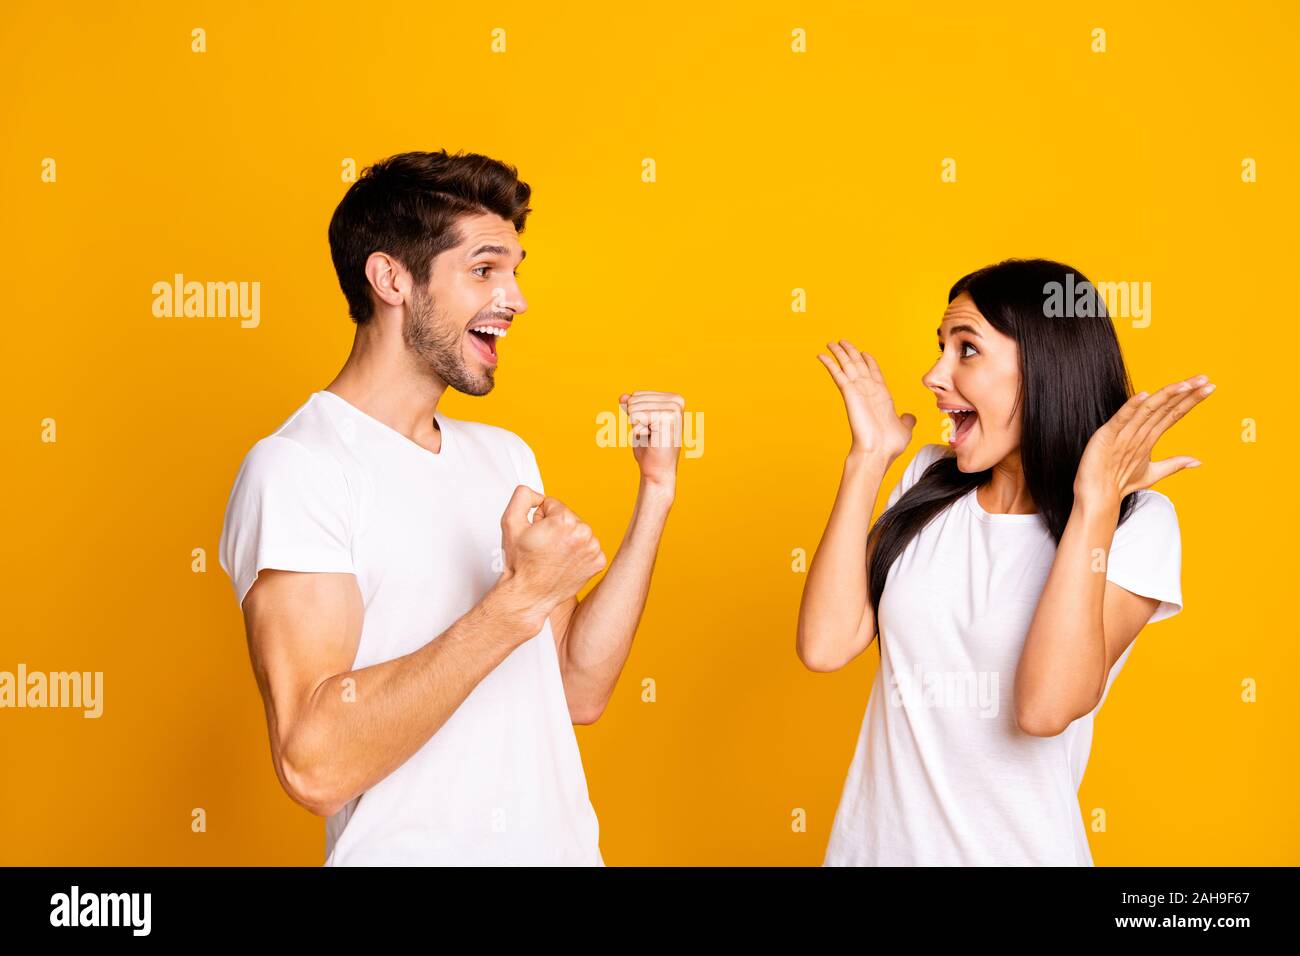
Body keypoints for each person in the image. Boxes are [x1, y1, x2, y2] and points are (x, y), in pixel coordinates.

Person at [217, 149, 684, 865]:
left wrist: (655, 493)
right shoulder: (300, 468)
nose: (516, 298)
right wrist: (515, 603)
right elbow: (314, 764)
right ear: (391, 279)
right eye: (484, 270)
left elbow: (575, 688)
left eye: (515, 271)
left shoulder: (504, 458)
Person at [797, 258, 1214, 865]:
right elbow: (825, 645)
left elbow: (1044, 709)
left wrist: (1095, 501)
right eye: (941, 347)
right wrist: (868, 458)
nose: (933, 375)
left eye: (967, 349)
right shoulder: (928, 481)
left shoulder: (1135, 522)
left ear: (1045, 368)